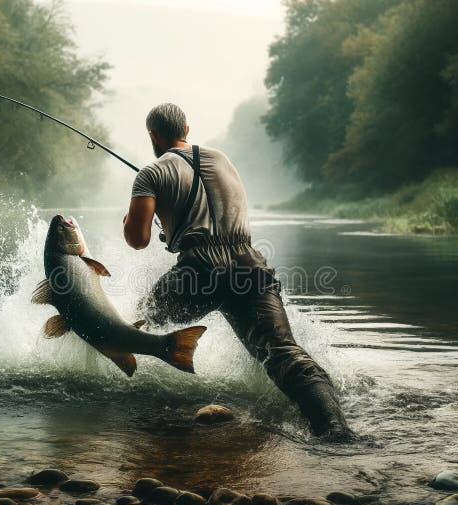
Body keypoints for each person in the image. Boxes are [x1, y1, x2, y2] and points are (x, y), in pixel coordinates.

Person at [122, 103, 354, 441]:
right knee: (283, 353)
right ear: (187, 130)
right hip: (249, 264)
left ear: (153, 136)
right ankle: (336, 430)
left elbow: (138, 239)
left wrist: (133, 220)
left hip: (198, 271)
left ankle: (132, 395)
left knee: (143, 322)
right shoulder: (223, 159)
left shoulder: (151, 173)